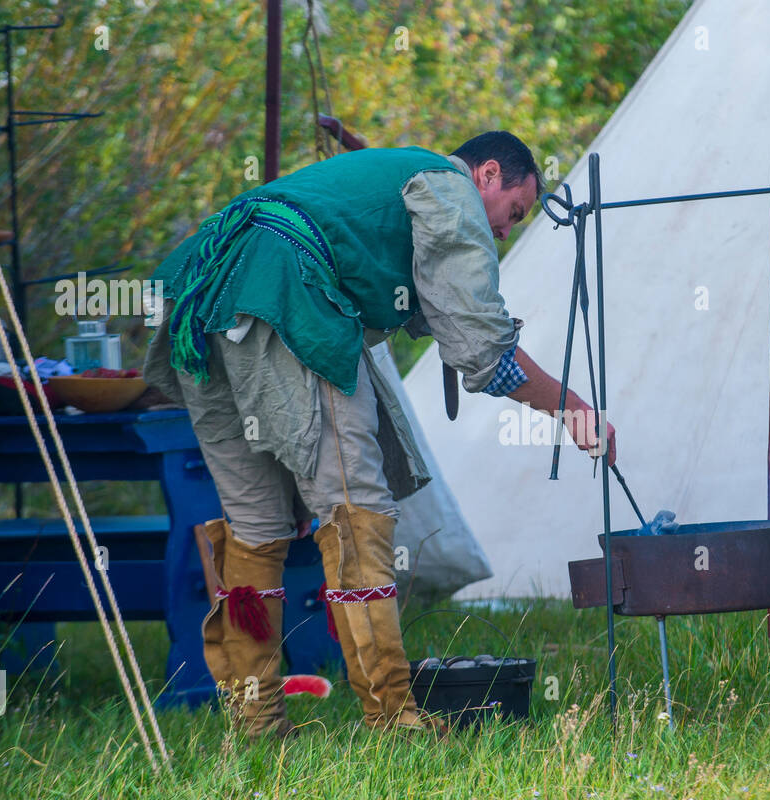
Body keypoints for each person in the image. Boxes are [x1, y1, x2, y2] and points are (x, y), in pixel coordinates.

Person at [143, 131, 616, 740]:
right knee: (355, 512)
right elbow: (481, 348)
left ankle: (256, 722)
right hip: (289, 298)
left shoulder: (394, 178)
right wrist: (574, 409)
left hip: (205, 302)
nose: (504, 232)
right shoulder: (450, 187)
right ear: (488, 174)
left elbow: (425, 300)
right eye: (513, 214)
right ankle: (393, 718)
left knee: (254, 533)